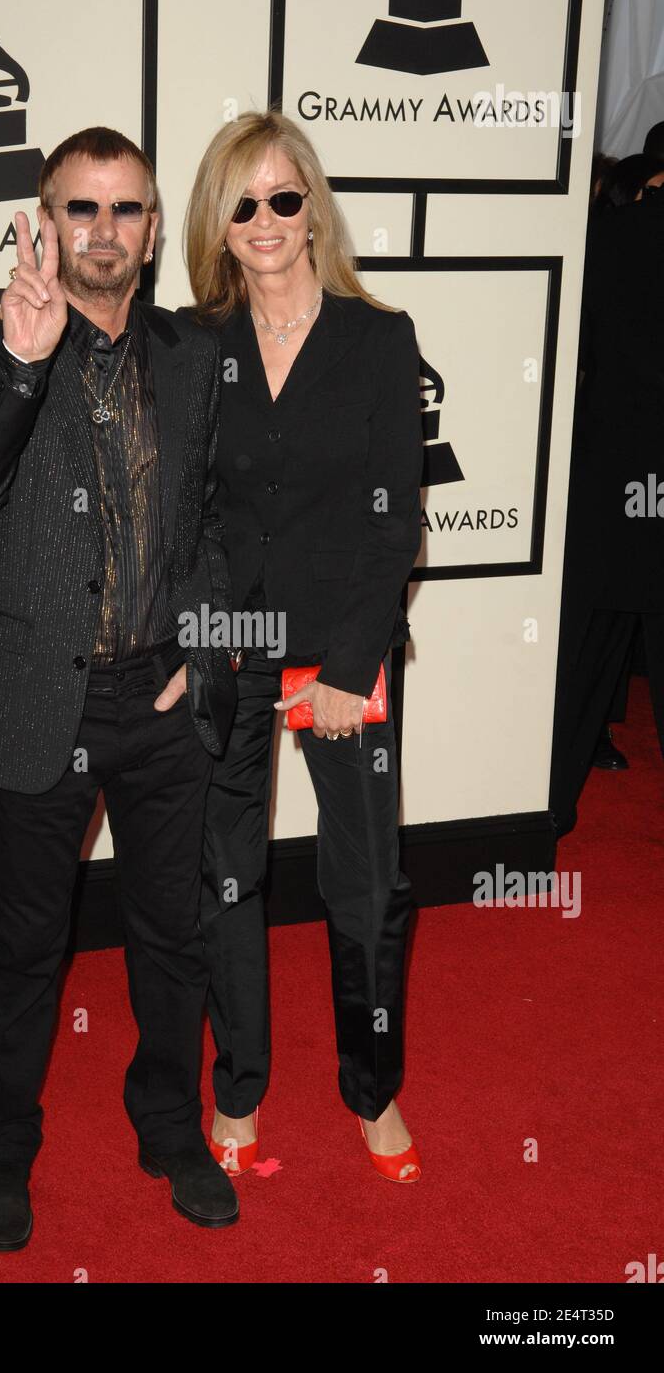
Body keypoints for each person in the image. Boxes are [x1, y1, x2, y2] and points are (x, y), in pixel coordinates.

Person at [0, 126, 239, 1249]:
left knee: (171, 932)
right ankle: (1, 1147)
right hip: (38, 697)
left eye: (125, 210)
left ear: (153, 230)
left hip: (158, 699)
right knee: (22, 945)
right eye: (80, 208)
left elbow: (214, 522)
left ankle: (168, 1127)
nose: (103, 231)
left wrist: (206, 646)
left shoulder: (202, 356)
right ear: (46, 220)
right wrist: (19, 363)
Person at [181, 111, 424, 1182]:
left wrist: (347, 665)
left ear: (311, 207)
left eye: (284, 196)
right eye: (243, 201)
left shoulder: (377, 339)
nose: (265, 219)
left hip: (342, 644)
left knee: (364, 880)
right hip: (232, 641)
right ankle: (238, 1085)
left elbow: (393, 521)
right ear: (218, 223)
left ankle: (372, 1089)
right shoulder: (194, 346)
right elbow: (182, 514)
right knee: (228, 875)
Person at [550, 153, 664, 834]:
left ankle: (551, 805)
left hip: (611, 472)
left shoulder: (606, 240)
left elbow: (578, 353)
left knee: (586, 654)